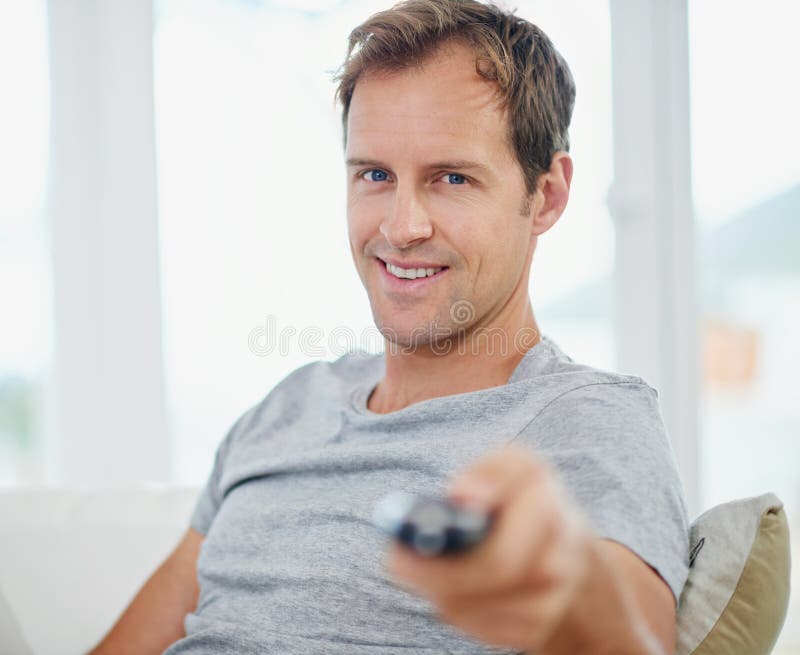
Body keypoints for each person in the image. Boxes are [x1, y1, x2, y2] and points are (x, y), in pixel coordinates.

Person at [89, 1, 689, 653]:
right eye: (375, 174)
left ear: (545, 195)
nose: (402, 227)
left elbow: (633, 635)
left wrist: (573, 592)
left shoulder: (590, 418)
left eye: (452, 178)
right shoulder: (287, 409)